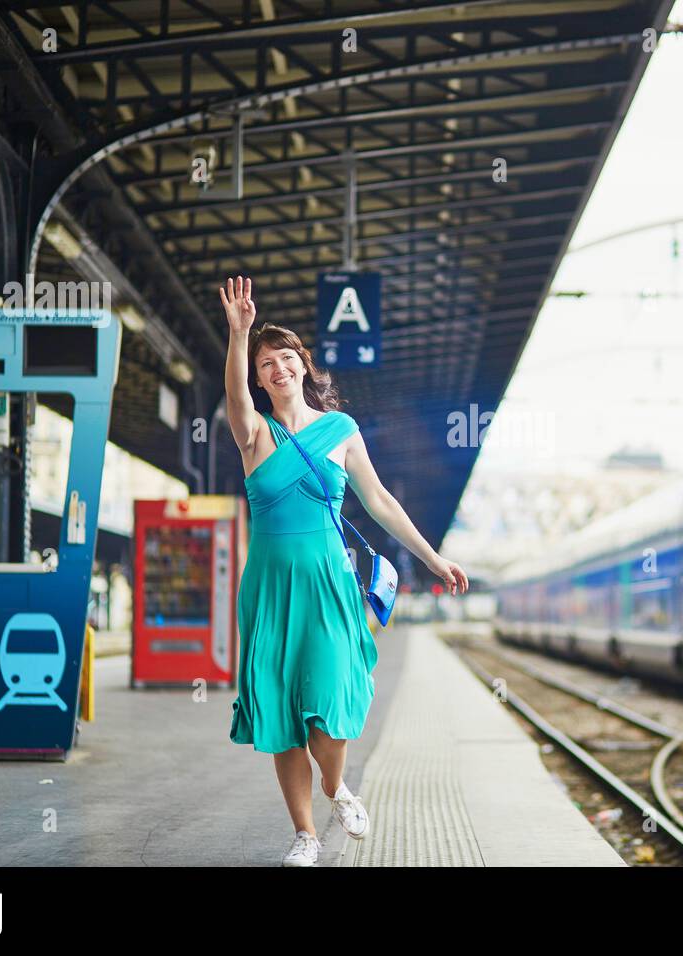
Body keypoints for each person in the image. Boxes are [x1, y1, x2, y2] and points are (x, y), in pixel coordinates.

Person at [219, 275, 469, 867]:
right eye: (265, 363)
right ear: (258, 378)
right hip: (272, 590)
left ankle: (336, 787)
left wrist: (434, 559)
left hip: (330, 583)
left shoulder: (342, 432)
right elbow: (232, 396)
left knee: (330, 699)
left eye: (286, 359)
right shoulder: (253, 432)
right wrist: (238, 335)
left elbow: (381, 502)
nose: (277, 369)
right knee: (282, 715)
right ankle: (305, 835)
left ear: (303, 368)